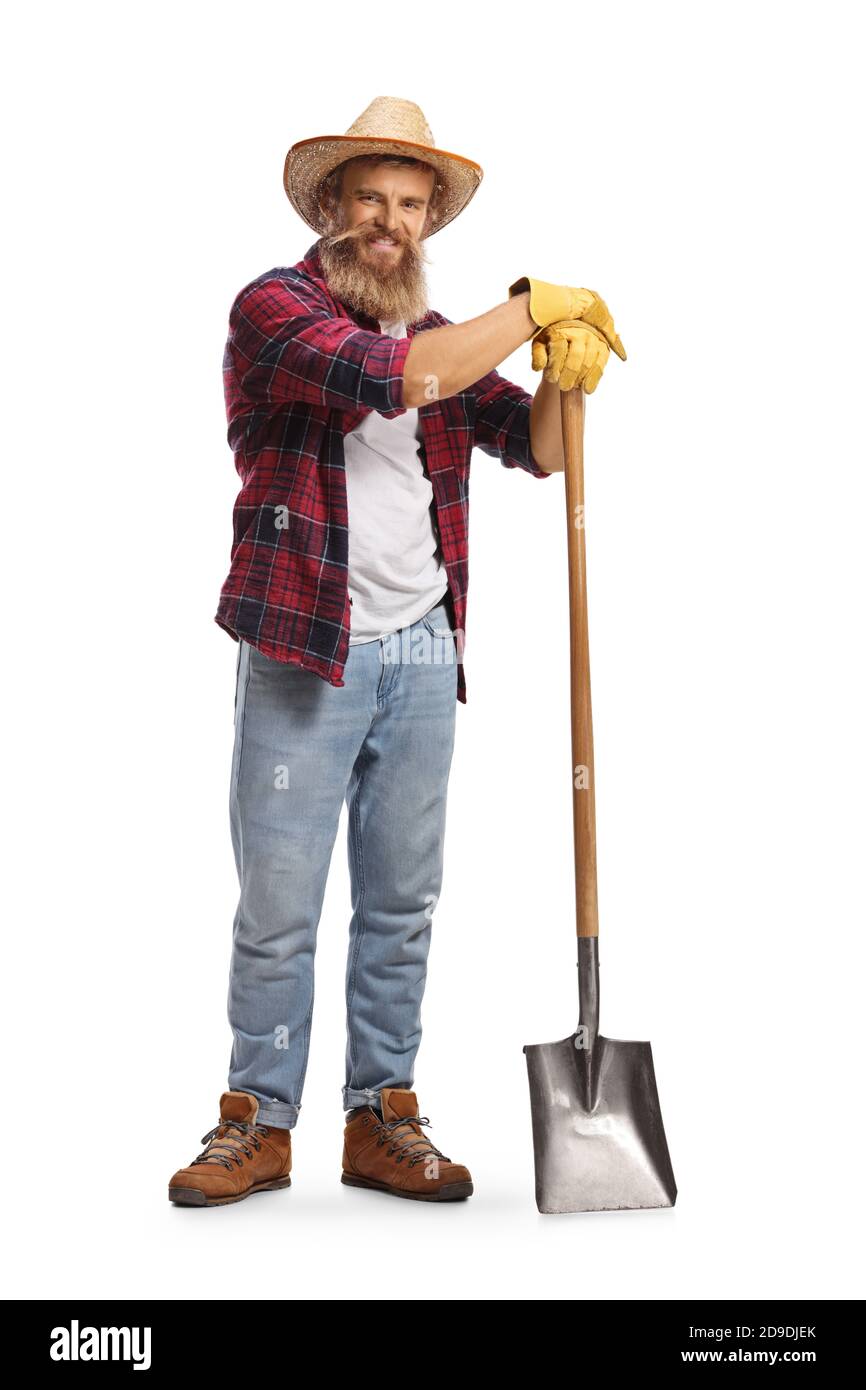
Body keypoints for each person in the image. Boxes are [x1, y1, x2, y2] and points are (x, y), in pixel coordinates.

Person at [168, 96, 625, 1207]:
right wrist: (529, 308)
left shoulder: (445, 337)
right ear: (330, 207)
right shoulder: (275, 310)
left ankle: (381, 1115)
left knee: (400, 902)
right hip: (305, 645)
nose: (389, 221)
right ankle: (256, 1120)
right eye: (369, 198)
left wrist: (564, 371)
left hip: (423, 651)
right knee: (279, 905)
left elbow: (541, 449)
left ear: (428, 222)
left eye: (410, 205)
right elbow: (391, 377)